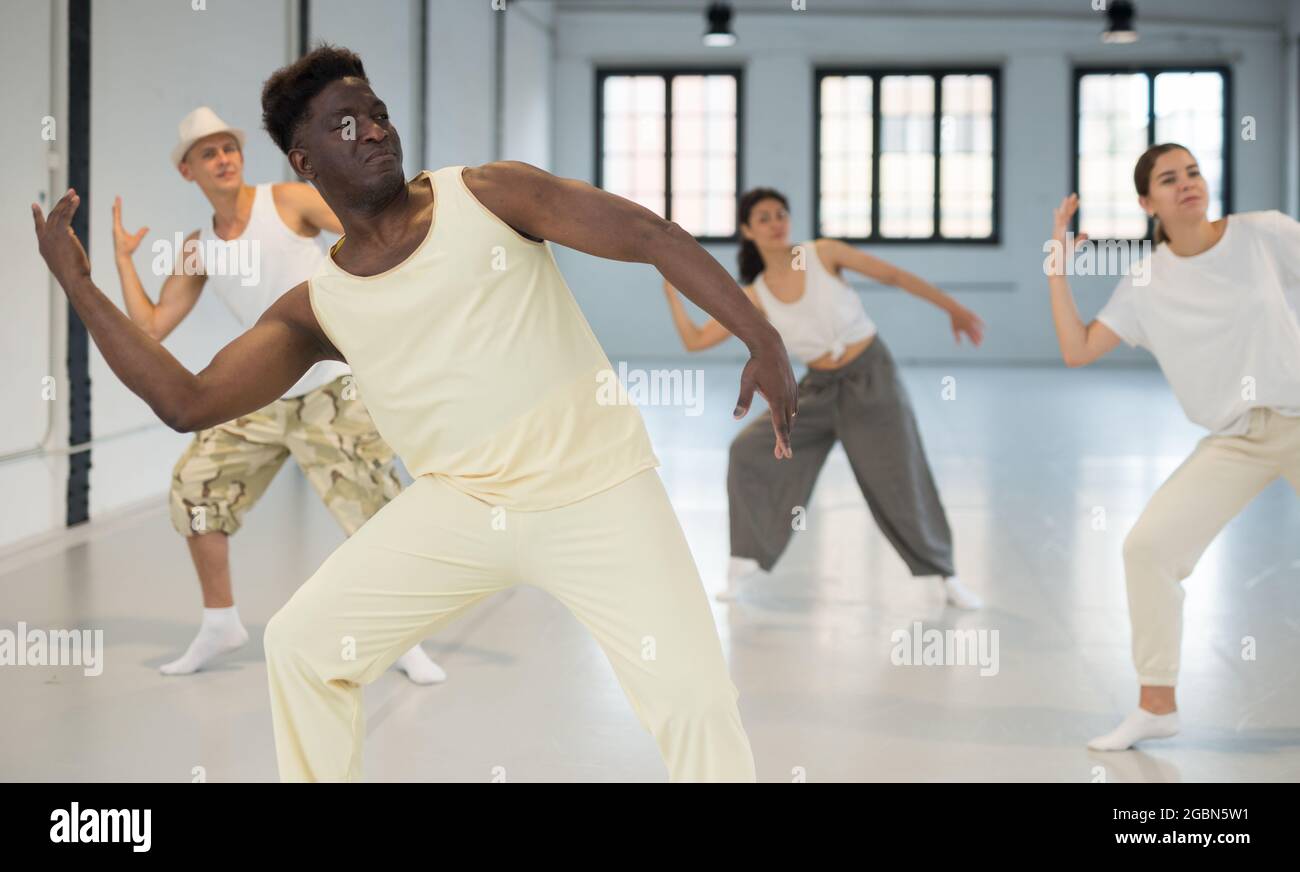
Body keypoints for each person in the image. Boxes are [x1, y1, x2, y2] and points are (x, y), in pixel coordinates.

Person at [32, 44, 799, 782]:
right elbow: (185, 402)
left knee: (696, 701)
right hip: (462, 506)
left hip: (598, 488)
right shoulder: (319, 307)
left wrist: (759, 334)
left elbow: (646, 234)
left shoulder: (489, 195)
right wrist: (79, 283)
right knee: (303, 647)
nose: (373, 130)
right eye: (344, 124)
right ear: (304, 162)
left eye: (377, 114)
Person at [112, 106, 444, 684]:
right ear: (189, 171)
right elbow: (152, 328)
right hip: (259, 395)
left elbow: (369, 228)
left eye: (228, 149)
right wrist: (120, 259)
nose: (222, 159)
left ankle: (402, 639)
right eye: (207, 153)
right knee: (194, 492)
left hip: (327, 390)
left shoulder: (287, 202)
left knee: (377, 512)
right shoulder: (198, 247)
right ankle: (221, 623)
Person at [1045, 144, 1300, 750]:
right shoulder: (1146, 284)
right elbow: (1077, 349)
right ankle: (1156, 706)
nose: (1187, 183)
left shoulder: (1265, 233)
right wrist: (1057, 268)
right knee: (1148, 549)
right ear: (1146, 202)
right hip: (1236, 438)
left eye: (1192, 171)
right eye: (1168, 178)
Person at [663, 187, 985, 608]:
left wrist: (952, 308)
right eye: (764, 217)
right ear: (747, 230)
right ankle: (743, 561)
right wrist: (671, 286)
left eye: (781, 213)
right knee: (747, 450)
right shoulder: (755, 294)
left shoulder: (823, 253)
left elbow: (893, 275)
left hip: (871, 377)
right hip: (816, 387)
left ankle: (945, 575)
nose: (776, 222)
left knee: (899, 476)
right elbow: (695, 340)